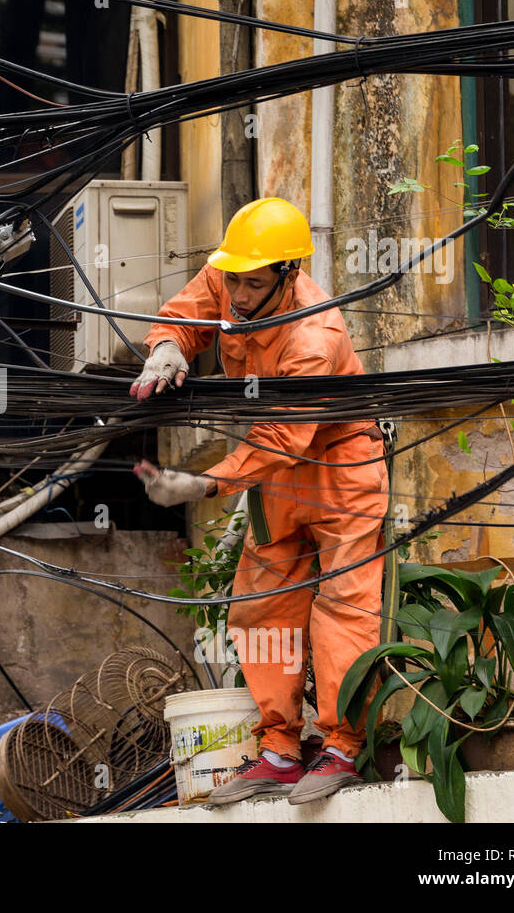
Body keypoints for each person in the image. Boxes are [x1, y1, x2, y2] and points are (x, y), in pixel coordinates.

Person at [129, 197, 388, 805]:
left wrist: (203, 484)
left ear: (288, 273)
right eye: (233, 281)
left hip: (340, 468)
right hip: (275, 473)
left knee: (345, 611)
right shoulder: (233, 271)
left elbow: (281, 437)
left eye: (251, 284)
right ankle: (279, 750)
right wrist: (168, 345)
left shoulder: (316, 333)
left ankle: (343, 747)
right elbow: (187, 313)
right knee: (262, 607)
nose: (237, 295)